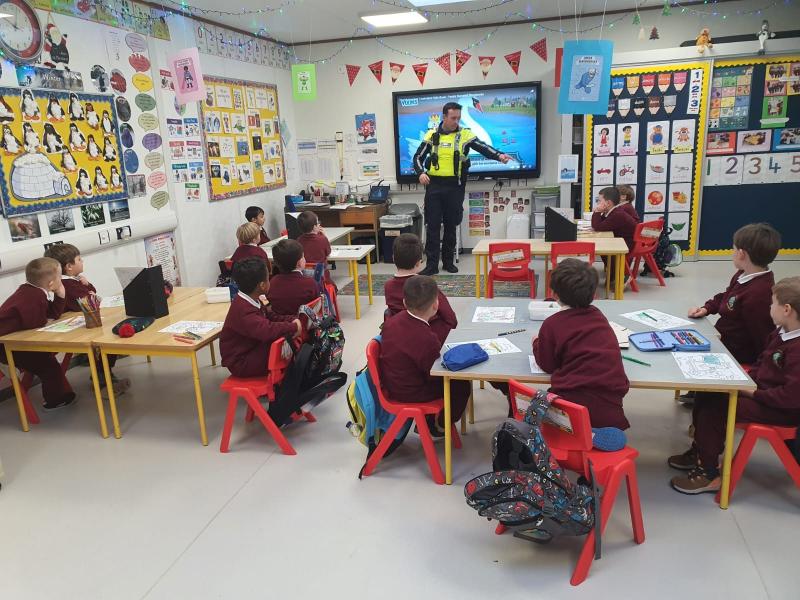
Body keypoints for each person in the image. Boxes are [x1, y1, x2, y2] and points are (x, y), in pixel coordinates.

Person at [669, 276, 800, 494]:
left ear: (786, 309)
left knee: (716, 408)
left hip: (780, 410)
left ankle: (709, 473)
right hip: (762, 392)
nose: (770, 307)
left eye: (772, 303)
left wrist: (752, 393)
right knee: (707, 391)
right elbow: (762, 362)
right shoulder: (781, 332)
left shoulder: (796, 349)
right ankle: (702, 452)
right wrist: (745, 379)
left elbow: (791, 397)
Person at [412, 101, 512, 275]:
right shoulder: (431, 135)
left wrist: (499, 155)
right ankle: (432, 265)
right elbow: (417, 157)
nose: (456, 121)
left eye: (458, 118)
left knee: (451, 225)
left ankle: (448, 262)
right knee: (433, 226)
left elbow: (483, 148)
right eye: (453, 118)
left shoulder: (465, 135)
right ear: (444, 117)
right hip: (434, 186)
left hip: (455, 186)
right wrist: (421, 172)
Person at [532, 258, 630, 430]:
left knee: (540, 407)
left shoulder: (552, 324)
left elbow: (547, 365)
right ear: (594, 296)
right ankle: (594, 435)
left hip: (569, 409)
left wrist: (536, 344)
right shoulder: (599, 316)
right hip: (611, 410)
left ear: (554, 294)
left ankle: (582, 436)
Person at [380, 275, 471, 434]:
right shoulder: (426, 338)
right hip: (410, 391)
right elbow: (434, 374)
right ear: (436, 305)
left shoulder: (392, 321)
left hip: (392, 382)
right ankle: (440, 425)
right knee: (461, 385)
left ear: (404, 302)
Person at [687, 223, 780, 365]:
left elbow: (763, 338)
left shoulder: (759, 294)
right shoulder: (743, 274)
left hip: (734, 356)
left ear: (741, 254)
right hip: (722, 341)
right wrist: (707, 308)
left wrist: (756, 373)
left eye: (734, 249)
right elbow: (727, 296)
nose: (733, 253)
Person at [44, 243, 130, 394]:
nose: (82, 261)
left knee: (108, 335)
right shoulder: (67, 284)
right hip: (75, 328)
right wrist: (89, 290)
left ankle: (105, 375)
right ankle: (103, 381)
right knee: (108, 339)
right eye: (79, 259)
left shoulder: (74, 281)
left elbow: (91, 294)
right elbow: (86, 301)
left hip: (81, 322)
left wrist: (87, 284)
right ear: (69, 266)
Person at [0, 257, 76, 410]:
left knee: (47, 360)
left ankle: (56, 393)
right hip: (5, 346)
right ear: (50, 284)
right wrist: (44, 321)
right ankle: (54, 400)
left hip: (14, 341)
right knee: (48, 366)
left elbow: (52, 314)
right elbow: (34, 322)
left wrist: (60, 294)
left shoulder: (31, 290)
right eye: (60, 278)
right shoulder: (34, 296)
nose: (61, 280)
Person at [219, 258, 302, 379]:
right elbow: (266, 330)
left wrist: (293, 319)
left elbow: (271, 317)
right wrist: (293, 326)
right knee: (284, 346)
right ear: (262, 285)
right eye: (268, 279)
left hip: (252, 347)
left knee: (285, 343)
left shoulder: (253, 298)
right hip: (241, 362)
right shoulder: (243, 309)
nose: (270, 281)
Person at [384, 233, 456, 346]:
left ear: (393, 258)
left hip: (402, 339)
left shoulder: (388, 286)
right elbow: (451, 319)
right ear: (419, 262)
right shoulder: (426, 285)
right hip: (431, 341)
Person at [267, 239, 319, 316]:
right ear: (299, 263)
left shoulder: (272, 282)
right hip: (303, 324)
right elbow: (316, 307)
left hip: (279, 324)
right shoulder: (310, 283)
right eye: (303, 256)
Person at [591, 186, 637, 252]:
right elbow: (600, 224)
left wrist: (597, 211)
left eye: (599, 200)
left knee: (601, 246)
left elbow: (598, 227)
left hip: (627, 245)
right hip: (623, 241)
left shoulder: (617, 214)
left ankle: (613, 262)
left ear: (608, 203)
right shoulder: (613, 211)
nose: (597, 203)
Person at [296, 211, 334, 287]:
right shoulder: (322, 239)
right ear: (314, 227)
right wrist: (324, 236)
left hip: (304, 273)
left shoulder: (298, 240)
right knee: (333, 287)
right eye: (317, 223)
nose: (319, 224)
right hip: (321, 274)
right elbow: (328, 252)